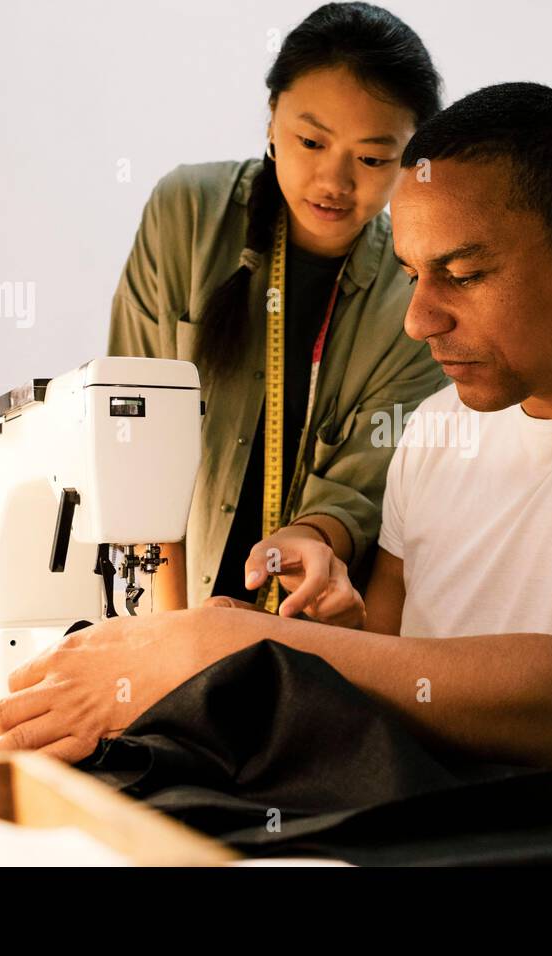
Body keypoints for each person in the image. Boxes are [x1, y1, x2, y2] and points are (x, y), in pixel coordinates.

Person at [0, 82, 552, 796]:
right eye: (409, 274)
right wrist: (337, 625)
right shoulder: (437, 430)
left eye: (463, 275)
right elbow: (396, 688)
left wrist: (240, 642)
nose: (418, 318)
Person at [108, 2, 447, 622]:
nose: (333, 180)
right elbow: (133, 422)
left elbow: (361, 485)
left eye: (372, 158)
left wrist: (312, 540)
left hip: (308, 620)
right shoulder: (185, 213)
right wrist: (169, 635)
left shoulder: (416, 298)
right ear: (271, 122)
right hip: (165, 601)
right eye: (311, 141)